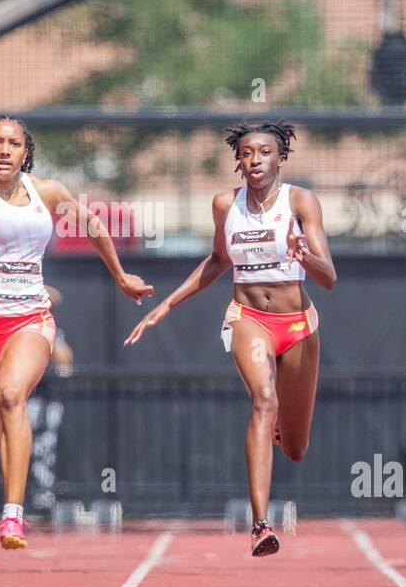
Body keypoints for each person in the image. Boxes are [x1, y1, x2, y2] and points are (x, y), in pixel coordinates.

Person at [125, 120, 336, 557]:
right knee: (263, 399)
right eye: (246, 153)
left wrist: (305, 254)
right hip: (248, 317)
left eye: (264, 152)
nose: (255, 160)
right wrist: (167, 305)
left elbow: (329, 277)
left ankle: (279, 428)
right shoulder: (226, 204)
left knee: (295, 448)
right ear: (238, 161)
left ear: (280, 158)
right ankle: (260, 524)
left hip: (297, 324)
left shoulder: (301, 201)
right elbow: (218, 260)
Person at [0, 116, 153, 549]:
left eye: (13, 143)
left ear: (25, 151)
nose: (4, 150)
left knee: (12, 395)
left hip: (29, 320)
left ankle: (13, 515)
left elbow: (93, 225)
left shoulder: (48, 192)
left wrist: (120, 275)